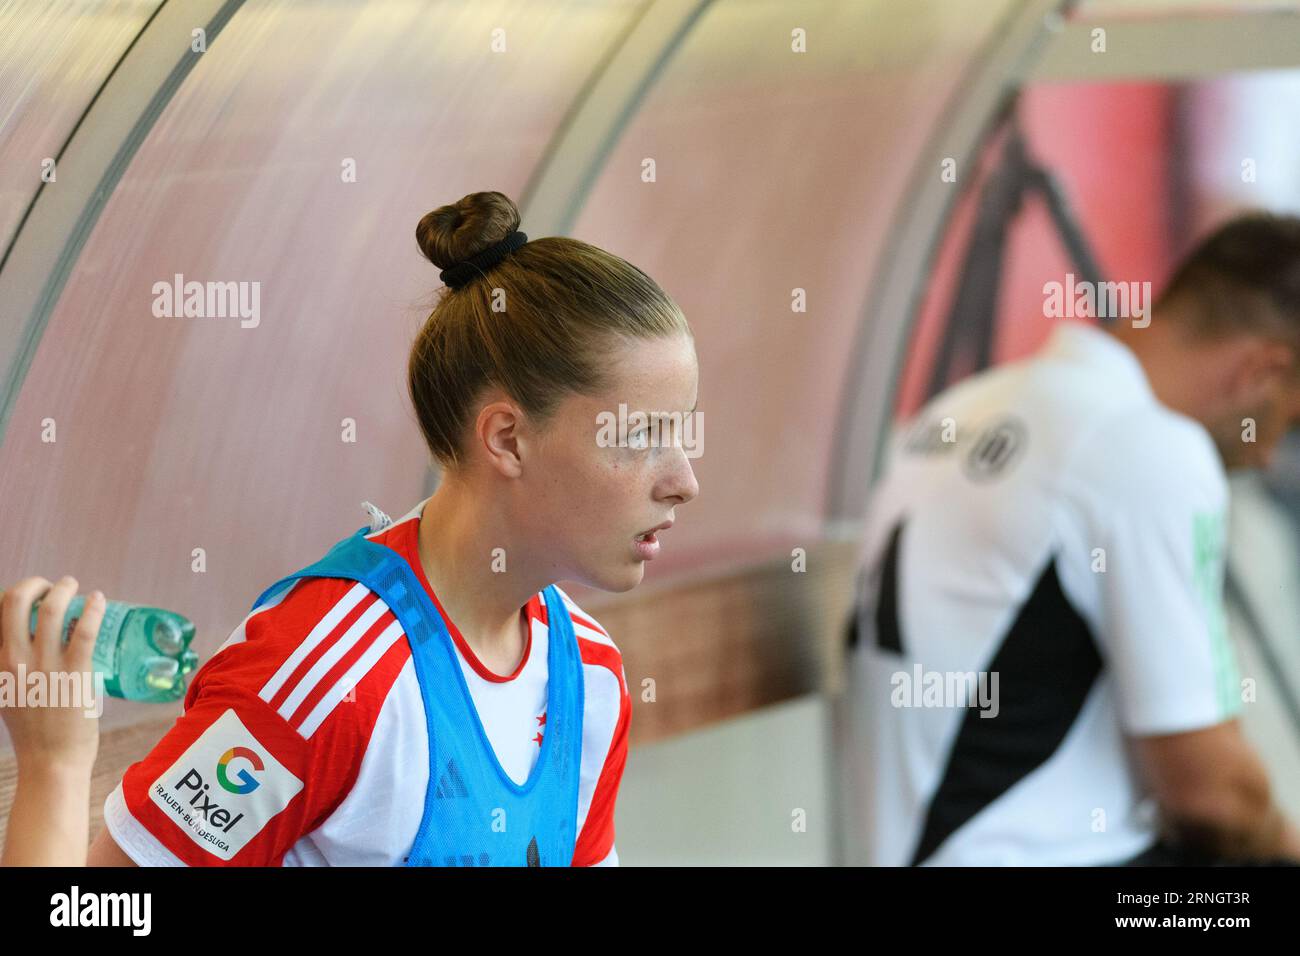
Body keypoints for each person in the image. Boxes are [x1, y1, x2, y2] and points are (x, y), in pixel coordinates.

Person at [1, 190, 699, 866]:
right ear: (509, 439)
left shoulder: (590, 673)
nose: (684, 481)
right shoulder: (322, 676)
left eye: (684, 434)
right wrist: (54, 762)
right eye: (639, 436)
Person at [841, 211, 1300, 866]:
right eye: (1286, 422)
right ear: (1260, 370)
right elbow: (1213, 795)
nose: (1265, 457)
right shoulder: (1147, 447)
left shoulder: (968, 404)